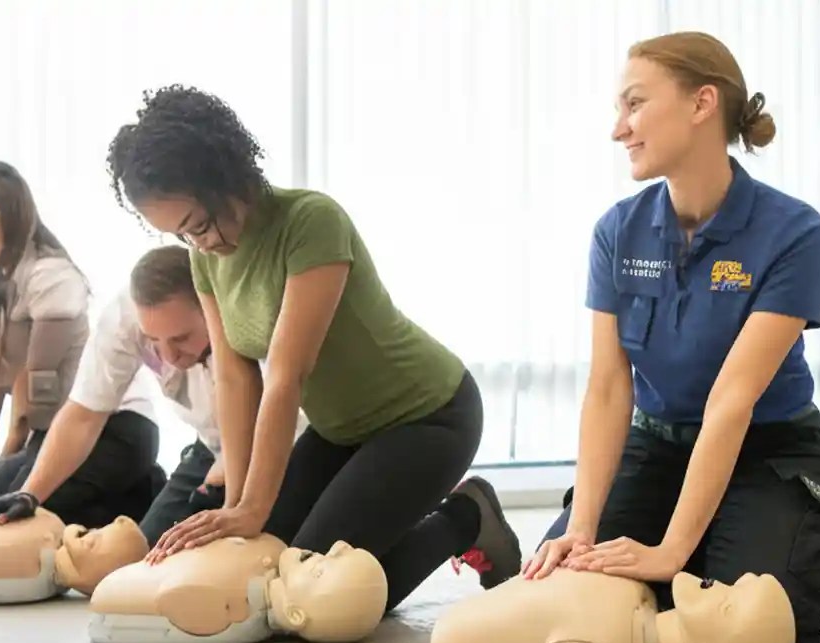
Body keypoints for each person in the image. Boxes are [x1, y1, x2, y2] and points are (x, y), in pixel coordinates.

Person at [104, 85, 521, 613]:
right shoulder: (206, 260)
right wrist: (236, 506)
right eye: (181, 235)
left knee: (318, 593)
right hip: (341, 431)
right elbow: (236, 378)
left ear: (223, 179)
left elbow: (285, 374)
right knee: (262, 564)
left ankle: (467, 517)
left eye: (199, 224)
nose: (198, 243)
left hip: (427, 415)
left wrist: (255, 507)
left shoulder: (311, 222)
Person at [523, 32, 820, 643]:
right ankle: (678, 562)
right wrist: (583, 526)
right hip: (656, 446)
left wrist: (672, 551)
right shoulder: (617, 230)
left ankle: (698, 552)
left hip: (770, 452)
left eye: (635, 104)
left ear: (702, 103)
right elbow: (610, 389)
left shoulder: (795, 232)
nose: (619, 128)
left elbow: (732, 399)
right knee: (555, 593)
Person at [0, 160, 163, 530]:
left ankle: (139, 493)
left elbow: (35, 396)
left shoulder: (50, 276)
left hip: (113, 428)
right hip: (51, 433)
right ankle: (134, 491)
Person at [0, 245, 233, 544]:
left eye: (181, 339)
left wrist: (230, 489)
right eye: (153, 341)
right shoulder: (127, 313)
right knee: (143, 551)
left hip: (265, 447)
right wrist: (29, 495)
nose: (169, 356)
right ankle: (141, 495)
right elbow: (84, 414)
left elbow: (275, 418)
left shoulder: (238, 317)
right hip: (208, 448)